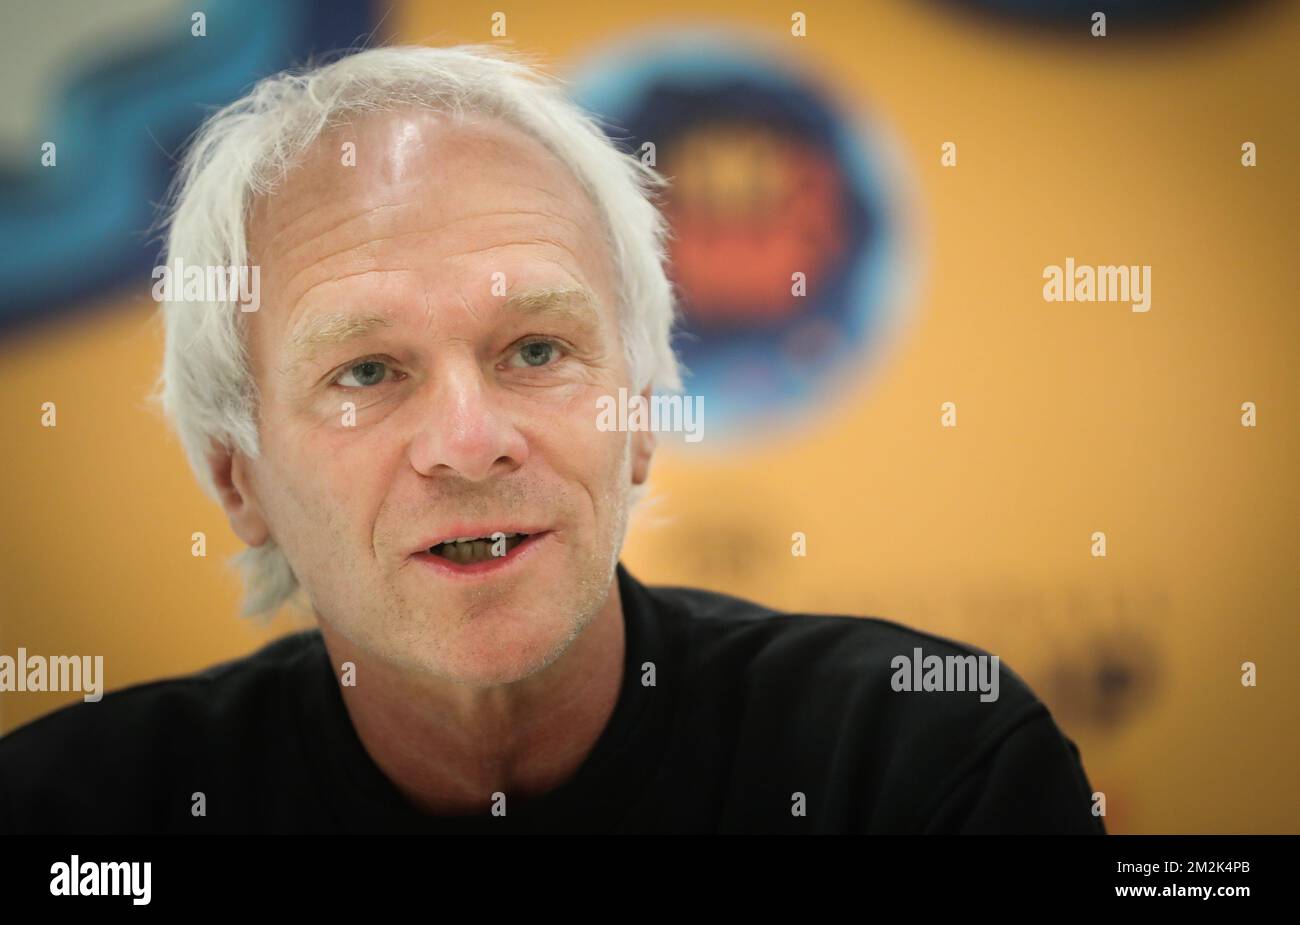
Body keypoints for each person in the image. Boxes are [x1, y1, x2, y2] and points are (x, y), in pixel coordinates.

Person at [0, 45, 1103, 834]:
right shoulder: (75, 817)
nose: (471, 443)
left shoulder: (920, 762)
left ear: (640, 415)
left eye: (535, 349)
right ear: (239, 480)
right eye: (368, 372)